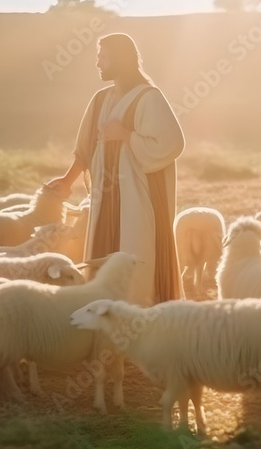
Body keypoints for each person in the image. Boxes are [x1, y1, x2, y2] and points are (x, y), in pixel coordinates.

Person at [46, 33, 185, 306]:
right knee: (102, 247)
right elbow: (86, 147)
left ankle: (139, 310)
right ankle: (103, 311)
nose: (98, 62)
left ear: (121, 59)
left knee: (136, 247)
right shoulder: (99, 100)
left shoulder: (149, 98)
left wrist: (125, 135)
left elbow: (172, 143)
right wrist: (67, 180)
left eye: (103, 56)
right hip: (104, 196)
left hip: (138, 194)